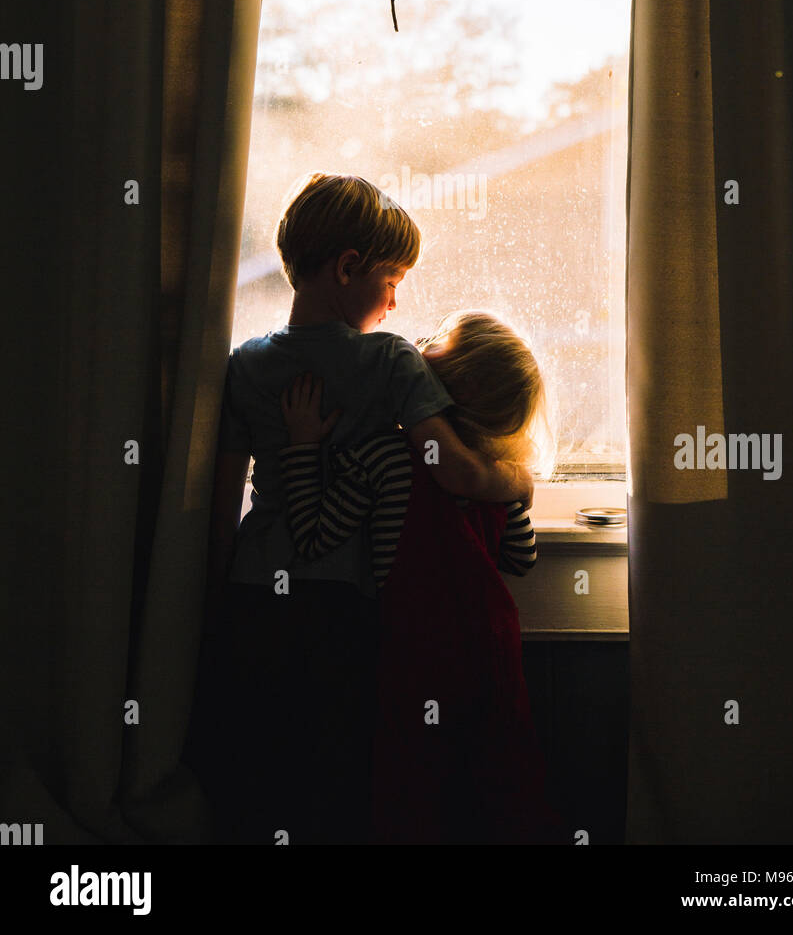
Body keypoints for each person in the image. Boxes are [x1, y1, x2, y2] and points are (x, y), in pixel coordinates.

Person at [184, 174, 534, 845]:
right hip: (342, 605)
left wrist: (213, 606)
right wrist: (515, 480)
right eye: (393, 279)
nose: (398, 300)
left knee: (257, 771)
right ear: (348, 269)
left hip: (255, 596)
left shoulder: (244, 366)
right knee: (337, 777)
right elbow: (452, 467)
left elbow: (222, 502)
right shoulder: (389, 360)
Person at [279, 310, 568, 845]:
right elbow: (521, 559)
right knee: (501, 779)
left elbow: (315, 536)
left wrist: (301, 446)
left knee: (413, 788)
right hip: (492, 645)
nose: (419, 342)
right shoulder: (494, 475)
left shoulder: (385, 455)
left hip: (417, 649)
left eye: (436, 340)